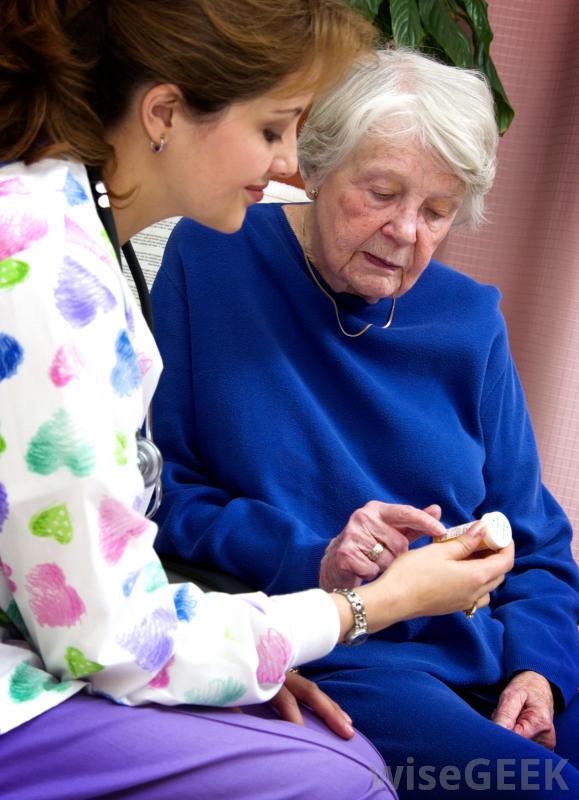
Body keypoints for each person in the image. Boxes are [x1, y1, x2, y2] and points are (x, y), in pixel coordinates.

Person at [0, 5, 516, 800]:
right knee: (360, 777)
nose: (286, 166)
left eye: (437, 210)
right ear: (165, 114)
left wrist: (540, 669)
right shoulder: (57, 276)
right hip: (302, 646)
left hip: (429, 644)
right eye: (275, 130)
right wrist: (365, 603)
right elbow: (117, 626)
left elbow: (104, 574)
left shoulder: (72, 239)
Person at [151, 48, 579, 799]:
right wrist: (316, 555)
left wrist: (539, 671)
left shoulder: (469, 320)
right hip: (344, 649)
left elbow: (536, 539)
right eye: (381, 192)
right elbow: (165, 492)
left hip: (490, 648)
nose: (405, 231)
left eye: (437, 211)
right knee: (535, 789)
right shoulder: (211, 258)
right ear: (314, 167)